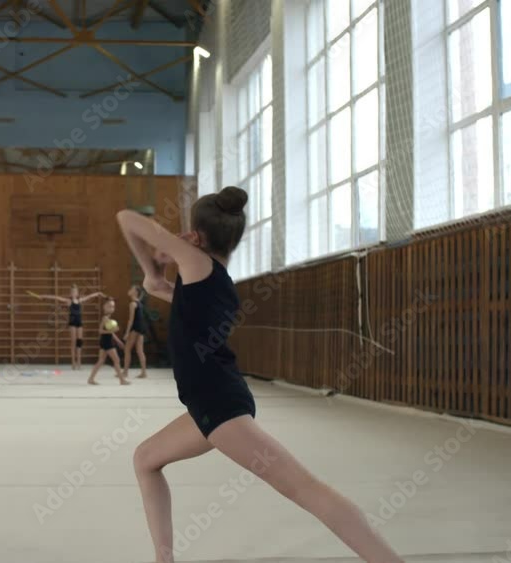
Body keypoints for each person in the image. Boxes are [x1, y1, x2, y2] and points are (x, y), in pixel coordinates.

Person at [117, 186, 403, 563]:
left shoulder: (197, 265)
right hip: (210, 403)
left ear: (196, 237)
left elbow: (127, 219)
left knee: (305, 489)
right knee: (145, 458)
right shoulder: (215, 283)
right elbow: (171, 295)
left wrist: (155, 265)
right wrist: (159, 276)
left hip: (219, 406)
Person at [33, 285, 105, 370]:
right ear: (70, 293)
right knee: (73, 342)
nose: (74, 293)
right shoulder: (68, 301)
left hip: (79, 323)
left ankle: (79, 361)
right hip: (72, 323)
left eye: (75, 291)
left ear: (77, 293)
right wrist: (43, 296)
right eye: (72, 292)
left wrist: (99, 293)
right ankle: (73, 362)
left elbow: (90, 296)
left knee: (79, 342)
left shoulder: (80, 300)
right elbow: (55, 297)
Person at [87, 299, 129, 386]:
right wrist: (112, 331)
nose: (111, 308)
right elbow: (100, 331)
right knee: (116, 360)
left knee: (101, 361)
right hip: (107, 342)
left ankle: (91, 379)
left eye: (113, 306)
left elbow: (111, 333)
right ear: (104, 307)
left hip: (105, 341)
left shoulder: (108, 318)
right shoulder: (105, 318)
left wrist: (118, 341)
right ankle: (122, 380)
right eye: (109, 306)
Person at [122, 285, 149, 379]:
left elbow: (131, 320)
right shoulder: (139, 303)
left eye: (131, 289)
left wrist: (127, 333)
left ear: (135, 292)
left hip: (135, 328)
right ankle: (144, 372)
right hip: (141, 327)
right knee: (140, 350)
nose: (129, 290)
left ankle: (125, 372)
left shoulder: (133, 304)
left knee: (127, 349)